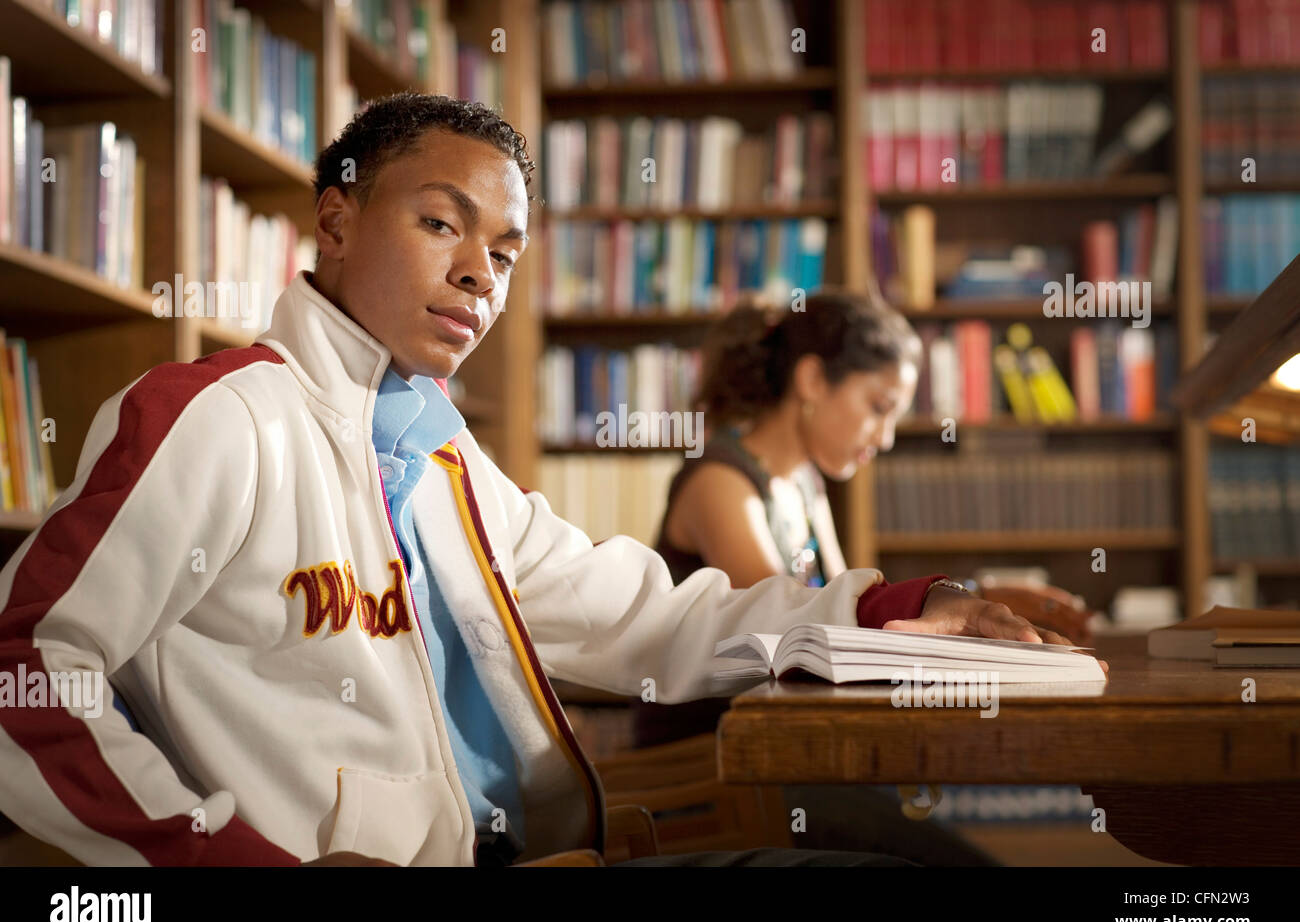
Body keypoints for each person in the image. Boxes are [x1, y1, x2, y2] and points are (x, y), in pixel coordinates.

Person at [0, 94, 1094, 868]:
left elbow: (652, 617)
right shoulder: (215, 416)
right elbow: (25, 671)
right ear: (334, 219)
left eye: (508, 251)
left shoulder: (443, 456)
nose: (481, 271)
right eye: (441, 223)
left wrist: (901, 607)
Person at [634, 293, 995, 864]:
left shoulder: (805, 485)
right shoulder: (721, 483)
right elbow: (791, 640)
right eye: (878, 406)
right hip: (711, 776)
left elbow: (843, 612)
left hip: (790, 759)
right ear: (811, 380)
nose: (886, 436)